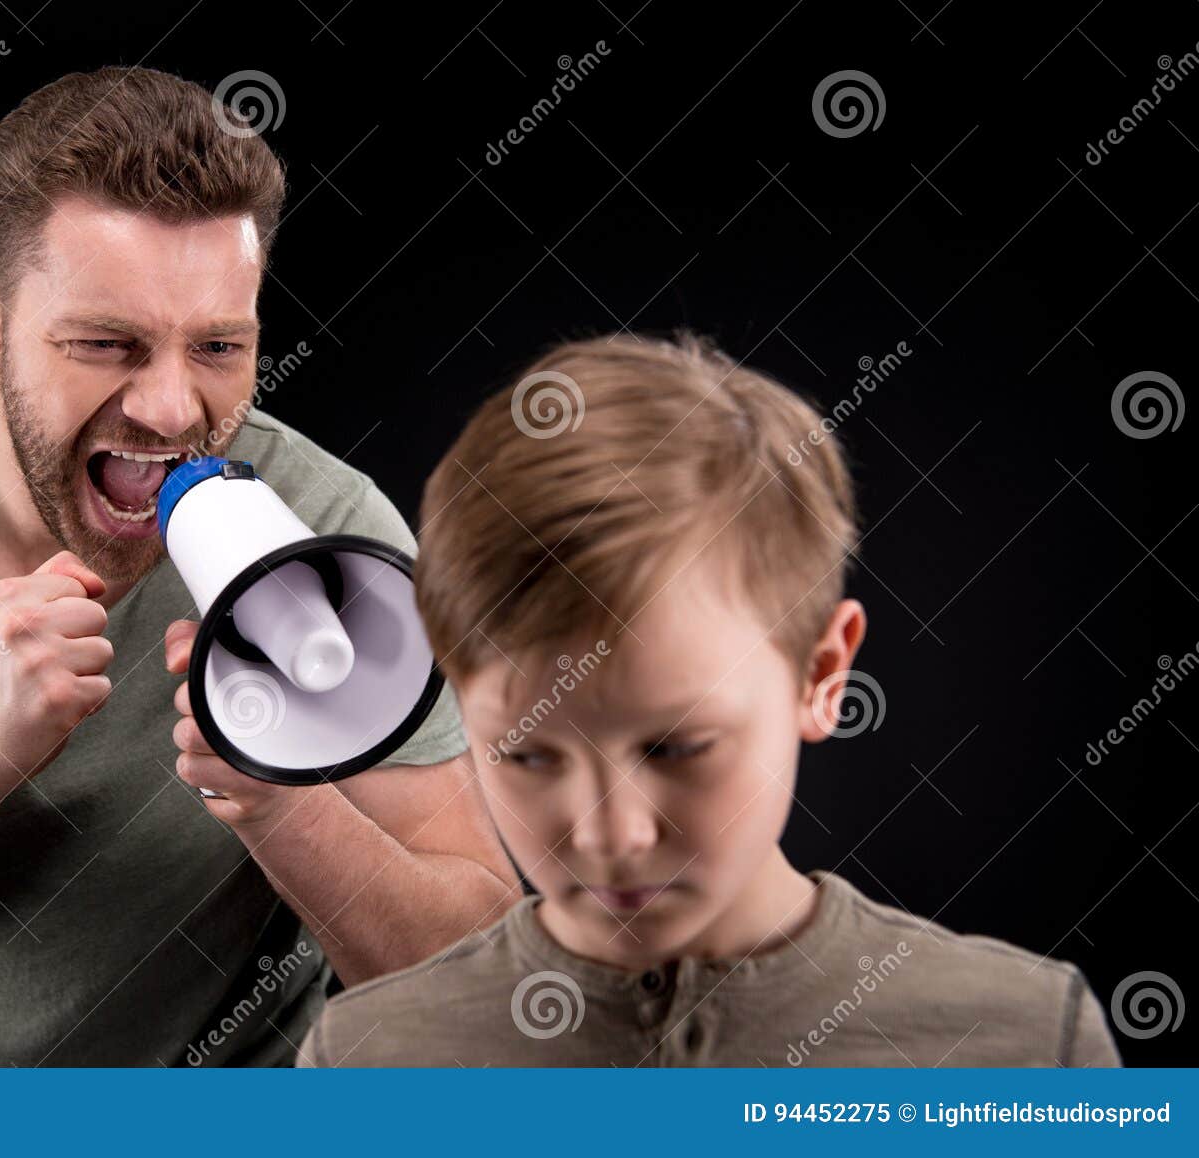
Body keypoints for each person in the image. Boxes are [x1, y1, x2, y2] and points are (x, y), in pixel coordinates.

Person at [0, 66, 518, 1066]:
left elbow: (480, 995)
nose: (172, 409)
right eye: (106, 342)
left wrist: (279, 799)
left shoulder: (329, 534)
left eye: (217, 345)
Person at [298, 333, 1121, 1067]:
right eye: (527, 753)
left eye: (678, 747)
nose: (611, 835)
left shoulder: (1023, 1049)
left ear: (822, 673)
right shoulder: (371, 1061)